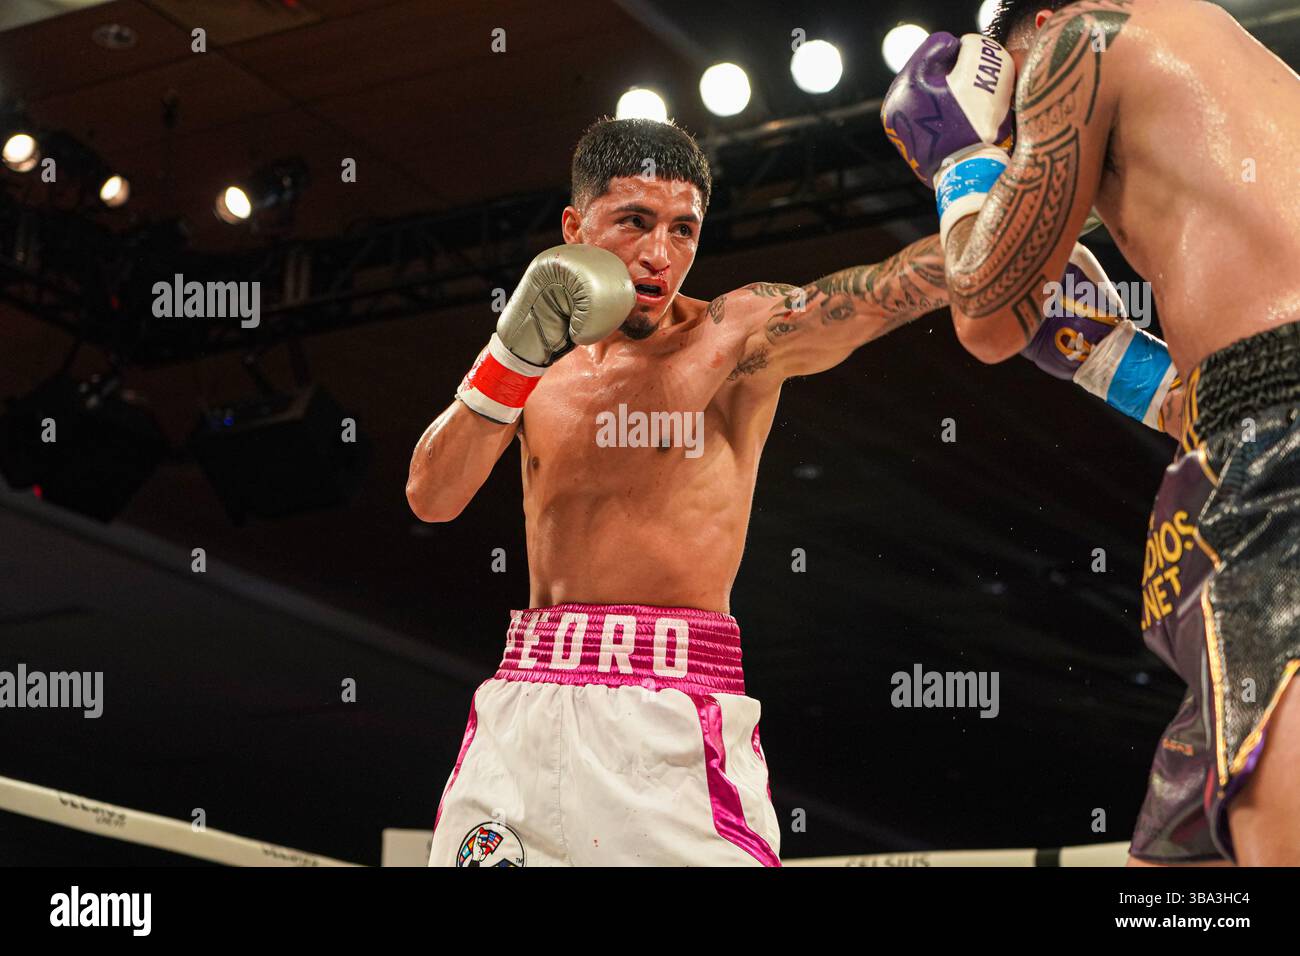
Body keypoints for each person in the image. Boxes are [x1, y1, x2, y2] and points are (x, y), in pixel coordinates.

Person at [408, 116, 1175, 867]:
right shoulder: (532, 359)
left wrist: (994, 251)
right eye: (634, 221)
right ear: (575, 226)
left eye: (683, 229)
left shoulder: (732, 336)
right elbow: (432, 496)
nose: (658, 253)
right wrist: (509, 356)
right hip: (524, 709)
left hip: (669, 720)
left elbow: (871, 295)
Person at [881, 0, 1300, 865]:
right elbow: (1232, 368)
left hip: (1276, 449)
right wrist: (1111, 360)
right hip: (1248, 429)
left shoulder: (1084, 39)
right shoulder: (1223, 65)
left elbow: (987, 314)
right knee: (1175, 870)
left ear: (1029, 29)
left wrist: (961, 155)